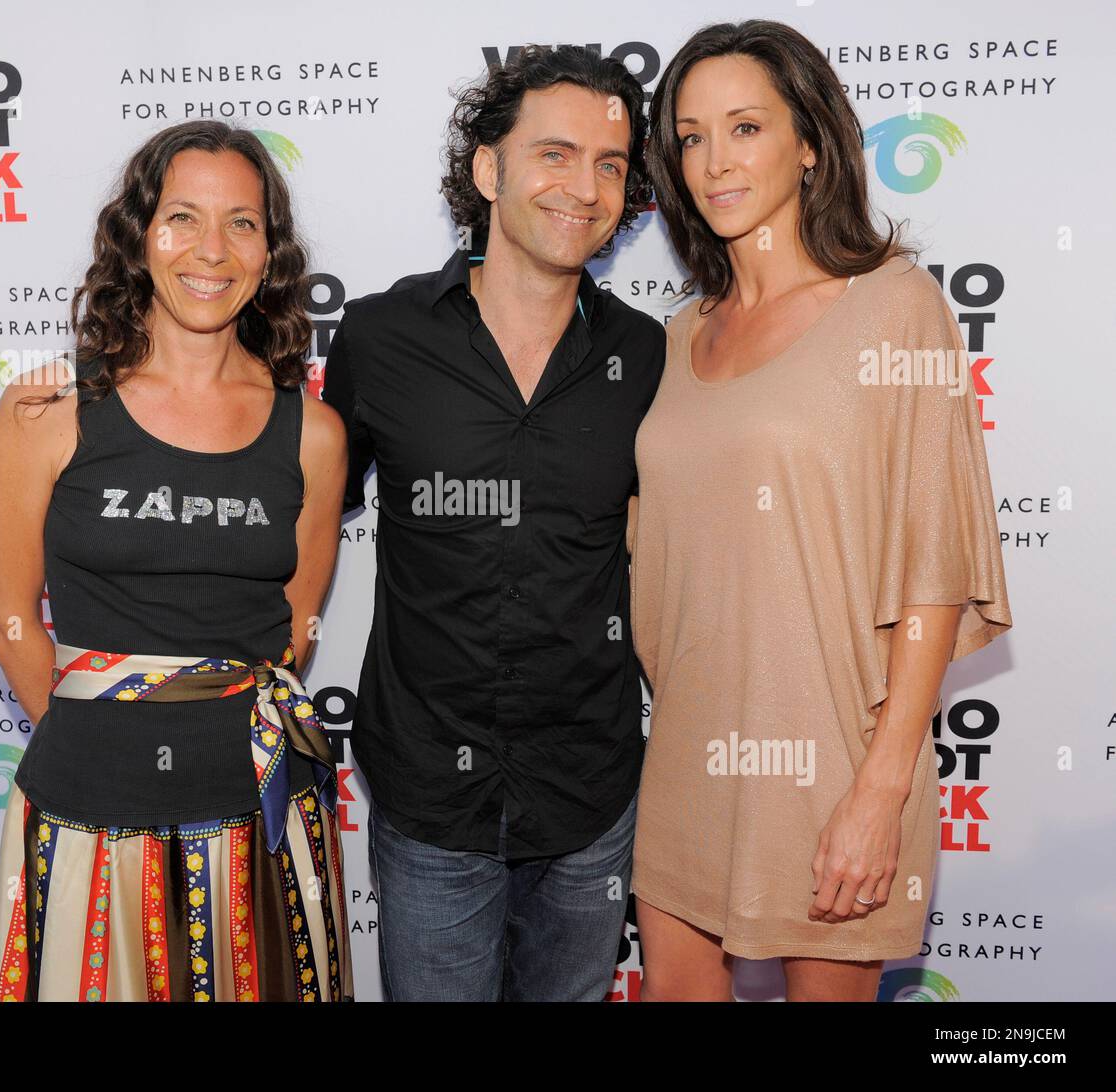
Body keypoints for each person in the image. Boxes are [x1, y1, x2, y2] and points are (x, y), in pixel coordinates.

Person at [630, 20, 1012, 1001]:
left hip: (836, 755)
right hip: (684, 749)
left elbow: (935, 557)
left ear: (808, 142)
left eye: (745, 127)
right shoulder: (677, 338)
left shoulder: (892, 306)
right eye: (690, 134)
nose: (715, 160)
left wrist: (881, 788)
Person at [0, 120, 352, 1002]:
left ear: (271, 251)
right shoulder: (47, 411)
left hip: (260, 815)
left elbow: (296, 624)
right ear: (140, 237)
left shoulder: (316, 433)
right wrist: (105, 723)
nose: (210, 250)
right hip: (86, 812)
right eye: (182, 217)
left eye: (242, 224)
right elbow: (7, 613)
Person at [322, 45, 665, 1002]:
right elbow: (303, 510)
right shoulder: (381, 337)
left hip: (591, 790)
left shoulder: (644, 355)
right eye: (555, 154)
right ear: (488, 167)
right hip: (432, 791)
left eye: (609, 164)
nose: (585, 188)